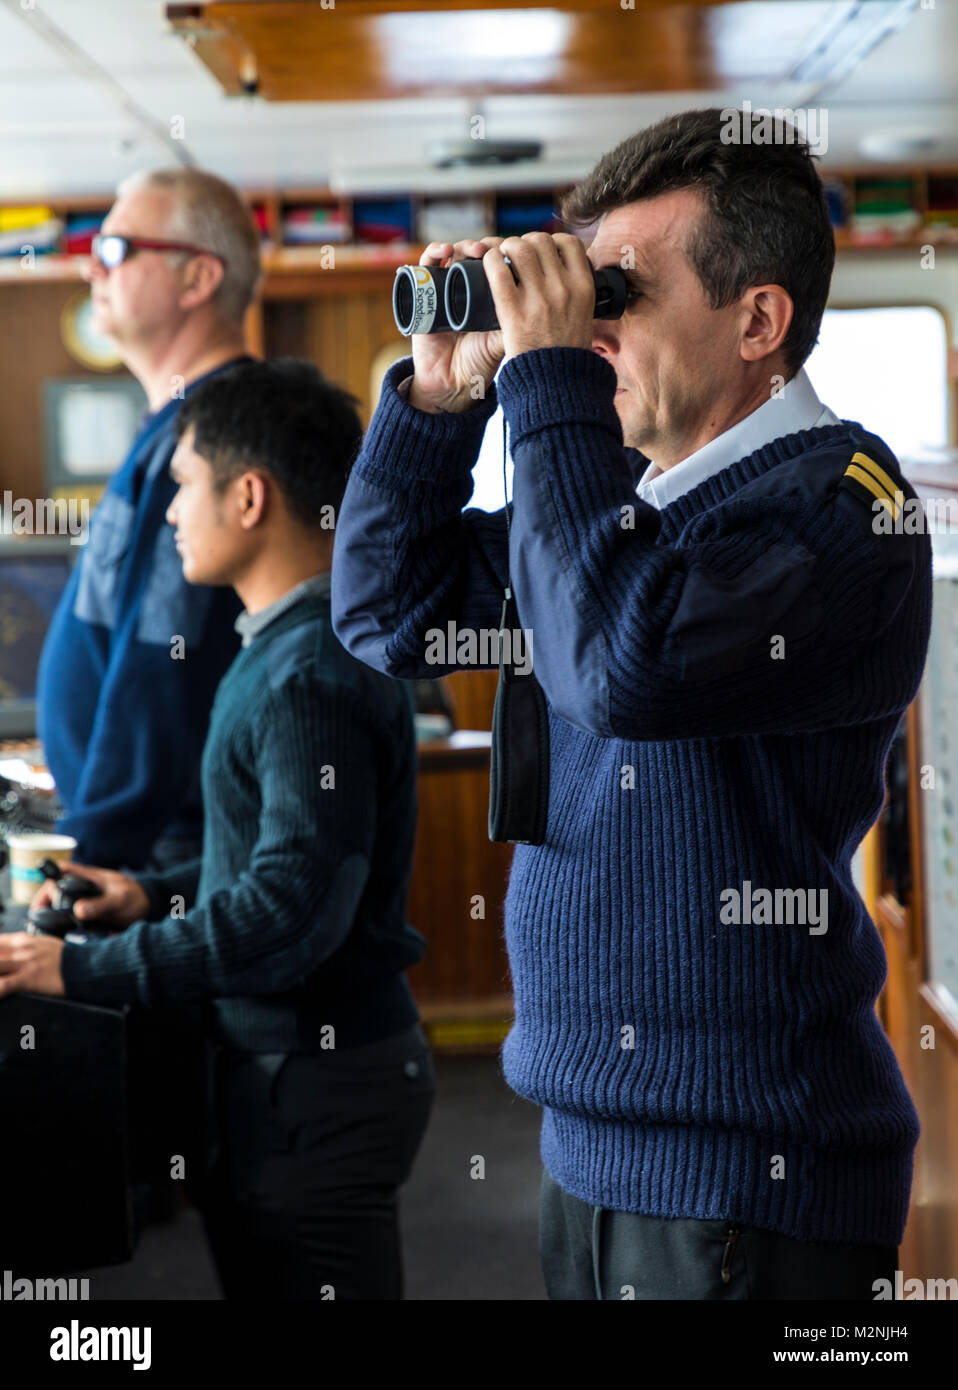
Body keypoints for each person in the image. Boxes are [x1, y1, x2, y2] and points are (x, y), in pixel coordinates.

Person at [329, 108, 933, 1300]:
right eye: (580, 293)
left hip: (748, 1174)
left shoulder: (845, 508)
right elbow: (387, 615)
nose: (590, 325)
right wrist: (440, 406)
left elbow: (622, 662)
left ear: (759, 319)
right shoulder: (620, 516)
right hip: (593, 1148)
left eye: (618, 292)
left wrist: (551, 377)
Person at [0, 359, 435, 1301]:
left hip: (317, 1082)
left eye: (186, 484)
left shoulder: (308, 673)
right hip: (286, 1074)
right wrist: (149, 896)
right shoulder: (284, 647)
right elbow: (276, 864)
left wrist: (80, 970)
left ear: (249, 496)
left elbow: (287, 915)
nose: (169, 512)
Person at [38, 167, 261, 875]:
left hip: (161, 855)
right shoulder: (175, 423)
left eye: (114, 249)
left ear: (196, 279)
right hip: (148, 841)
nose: (90, 266)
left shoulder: (212, 433)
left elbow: (166, 651)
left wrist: (99, 854)